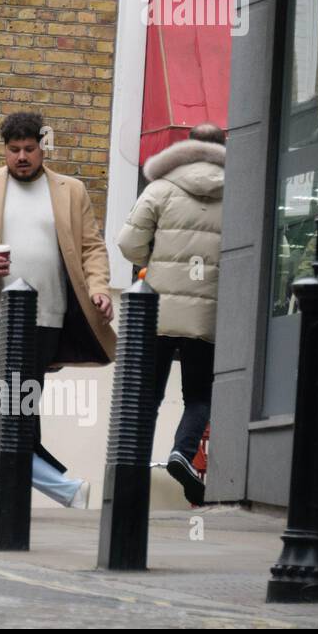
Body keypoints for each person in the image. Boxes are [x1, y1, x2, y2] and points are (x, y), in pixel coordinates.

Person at [0, 111, 116, 509]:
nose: (22, 156)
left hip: (47, 314)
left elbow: (91, 248)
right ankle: (14, 488)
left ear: (43, 148)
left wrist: (99, 289)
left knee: (20, 403)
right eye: (14, 149)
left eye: (29, 149)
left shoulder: (70, 190)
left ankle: (12, 484)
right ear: (4, 150)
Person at [119, 124, 226, 506]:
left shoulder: (161, 187)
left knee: (146, 395)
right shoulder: (239, 191)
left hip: (158, 308)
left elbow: (128, 242)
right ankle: (182, 452)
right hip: (209, 312)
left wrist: (155, 265)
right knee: (199, 395)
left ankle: (131, 468)